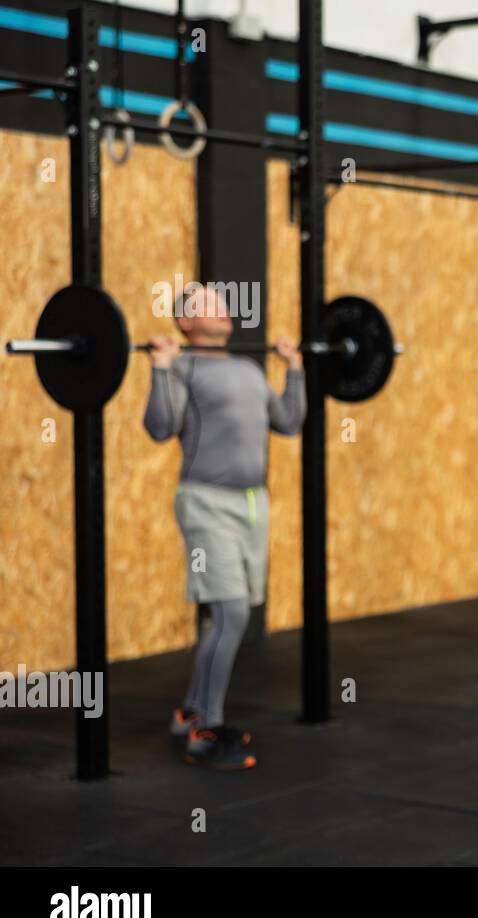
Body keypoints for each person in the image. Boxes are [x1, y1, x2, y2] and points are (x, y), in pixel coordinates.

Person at [143, 284, 306, 769]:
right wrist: (160, 369)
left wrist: (294, 366)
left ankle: (188, 711)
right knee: (232, 613)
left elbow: (291, 421)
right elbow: (160, 426)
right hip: (206, 502)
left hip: (254, 505)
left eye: (222, 300)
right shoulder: (184, 367)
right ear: (185, 323)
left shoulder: (249, 369)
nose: (221, 306)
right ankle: (205, 730)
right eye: (205, 303)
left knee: (232, 613)